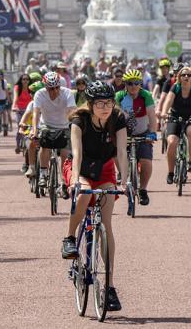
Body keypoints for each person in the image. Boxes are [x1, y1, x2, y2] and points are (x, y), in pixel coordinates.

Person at [62, 81, 127, 313]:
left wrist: (125, 182)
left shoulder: (118, 120)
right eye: (99, 103)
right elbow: (76, 154)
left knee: (106, 223)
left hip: (105, 169)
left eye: (109, 102)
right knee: (82, 196)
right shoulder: (79, 121)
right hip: (80, 168)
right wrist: (73, 182)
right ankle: (69, 238)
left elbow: (121, 153)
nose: (105, 107)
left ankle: (109, 285)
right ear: (90, 104)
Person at [28, 72, 77, 194]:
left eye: (57, 87)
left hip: (64, 126)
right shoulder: (40, 94)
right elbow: (35, 113)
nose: (54, 91)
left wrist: (77, 127)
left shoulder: (67, 93)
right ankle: (43, 174)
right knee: (45, 146)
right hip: (46, 125)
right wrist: (34, 129)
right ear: (45, 87)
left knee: (65, 152)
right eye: (51, 88)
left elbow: (72, 111)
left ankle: (64, 181)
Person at [114, 69, 157, 205]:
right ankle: (122, 173)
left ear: (141, 84)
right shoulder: (119, 96)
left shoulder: (146, 95)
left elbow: (152, 116)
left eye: (136, 83)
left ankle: (143, 189)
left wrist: (152, 133)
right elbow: (113, 116)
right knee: (115, 153)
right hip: (123, 133)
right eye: (130, 83)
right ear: (125, 84)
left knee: (146, 161)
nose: (133, 86)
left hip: (143, 133)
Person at [159, 65, 191, 182]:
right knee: (172, 142)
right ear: (179, 77)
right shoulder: (175, 88)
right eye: (183, 75)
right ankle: (170, 172)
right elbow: (168, 101)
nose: (186, 77)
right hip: (175, 117)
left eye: (188, 75)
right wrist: (164, 112)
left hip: (190, 118)